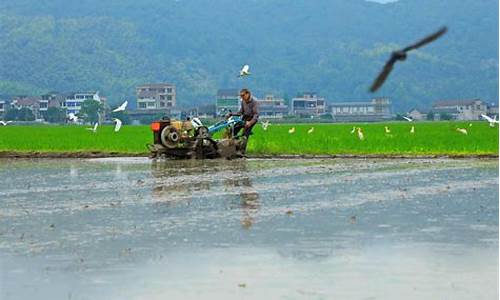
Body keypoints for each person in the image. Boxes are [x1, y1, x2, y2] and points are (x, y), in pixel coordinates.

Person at [227, 88, 259, 154]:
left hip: (252, 118)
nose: (242, 97)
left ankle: (242, 152)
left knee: (244, 135)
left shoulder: (254, 101)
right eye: (241, 96)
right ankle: (236, 146)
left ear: (248, 94)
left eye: (243, 95)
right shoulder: (243, 101)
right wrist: (231, 114)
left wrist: (250, 123)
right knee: (232, 130)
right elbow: (240, 112)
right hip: (244, 117)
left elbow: (256, 115)